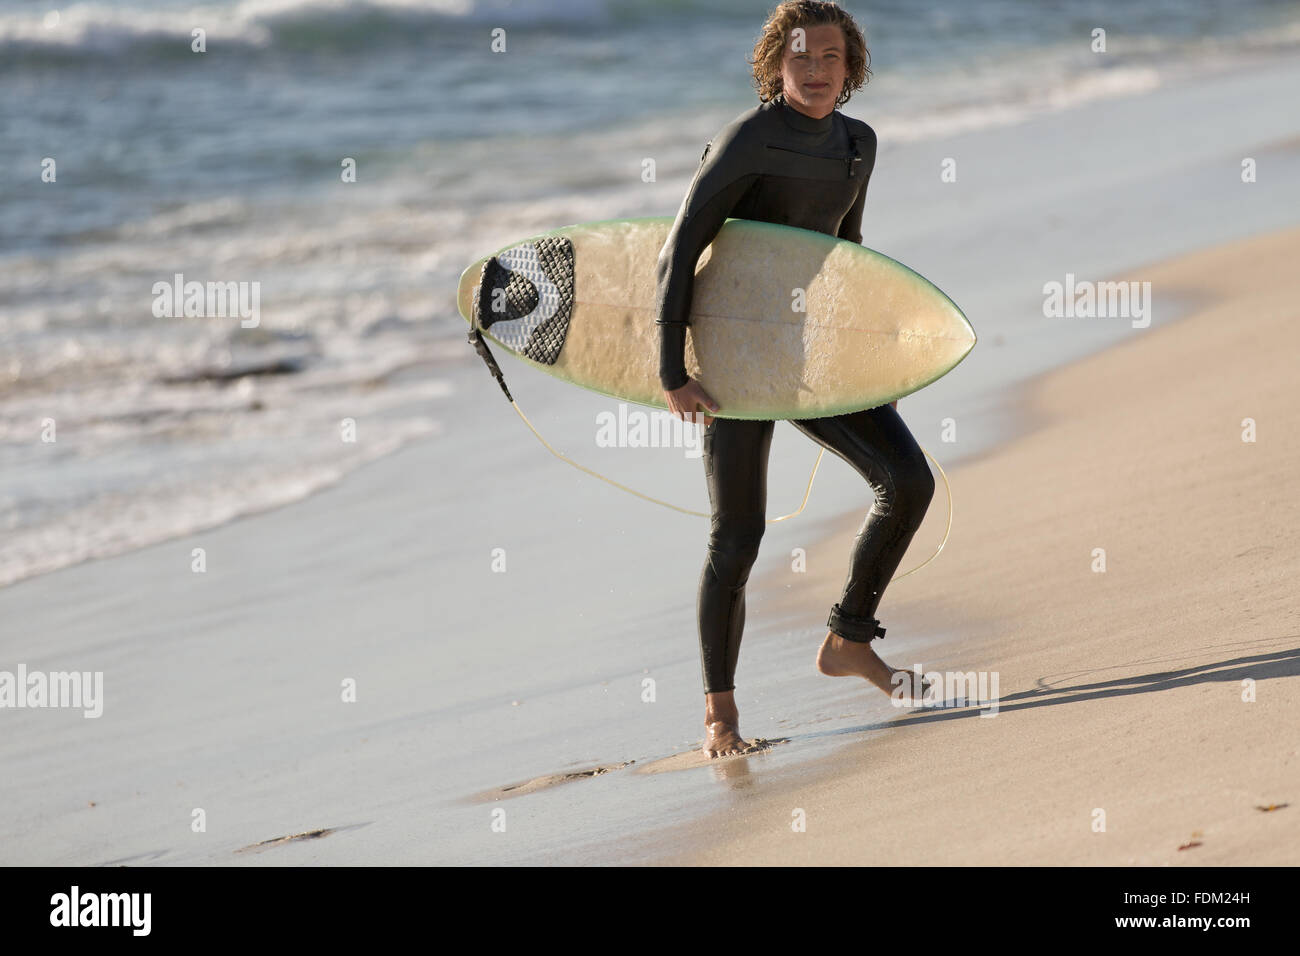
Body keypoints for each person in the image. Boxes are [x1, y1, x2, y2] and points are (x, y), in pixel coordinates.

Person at [654, 1, 934, 758]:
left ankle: (848, 638)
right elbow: (677, 254)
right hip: (735, 361)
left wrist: (873, 359)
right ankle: (720, 716)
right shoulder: (748, 140)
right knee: (738, 538)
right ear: (776, 64)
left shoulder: (857, 144)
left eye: (831, 59)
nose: (816, 72)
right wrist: (673, 371)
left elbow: (850, 253)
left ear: (851, 68)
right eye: (801, 58)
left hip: (810, 357)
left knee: (908, 481)